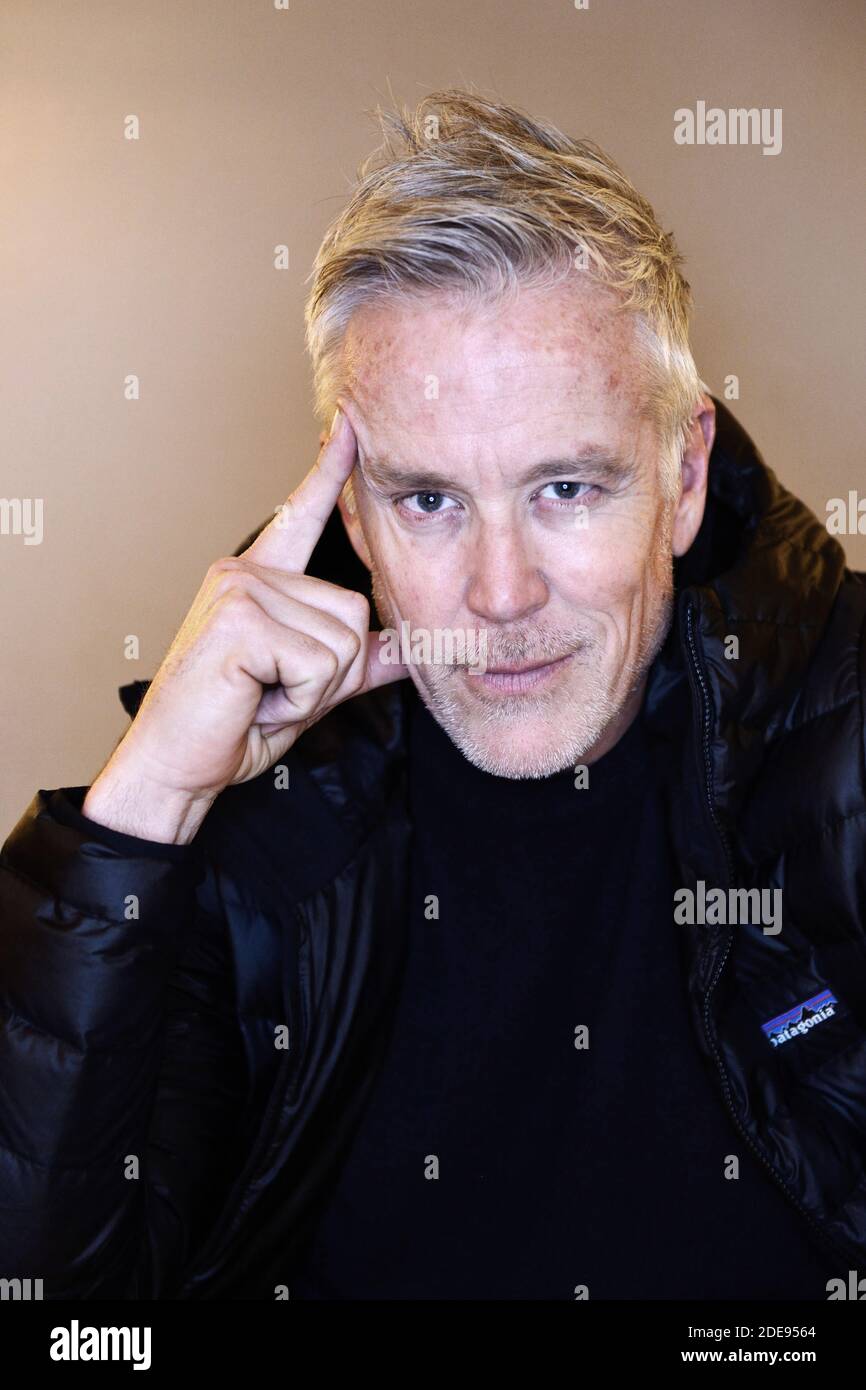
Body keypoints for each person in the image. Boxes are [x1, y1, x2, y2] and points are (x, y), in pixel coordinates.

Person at [2, 89, 865, 1301]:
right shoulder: (252, 833)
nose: (499, 592)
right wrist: (140, 806)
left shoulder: (847, 741)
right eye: (428, 502)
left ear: (680, 479)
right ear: (353, 517)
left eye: (565, 487)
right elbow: (56, 1314)